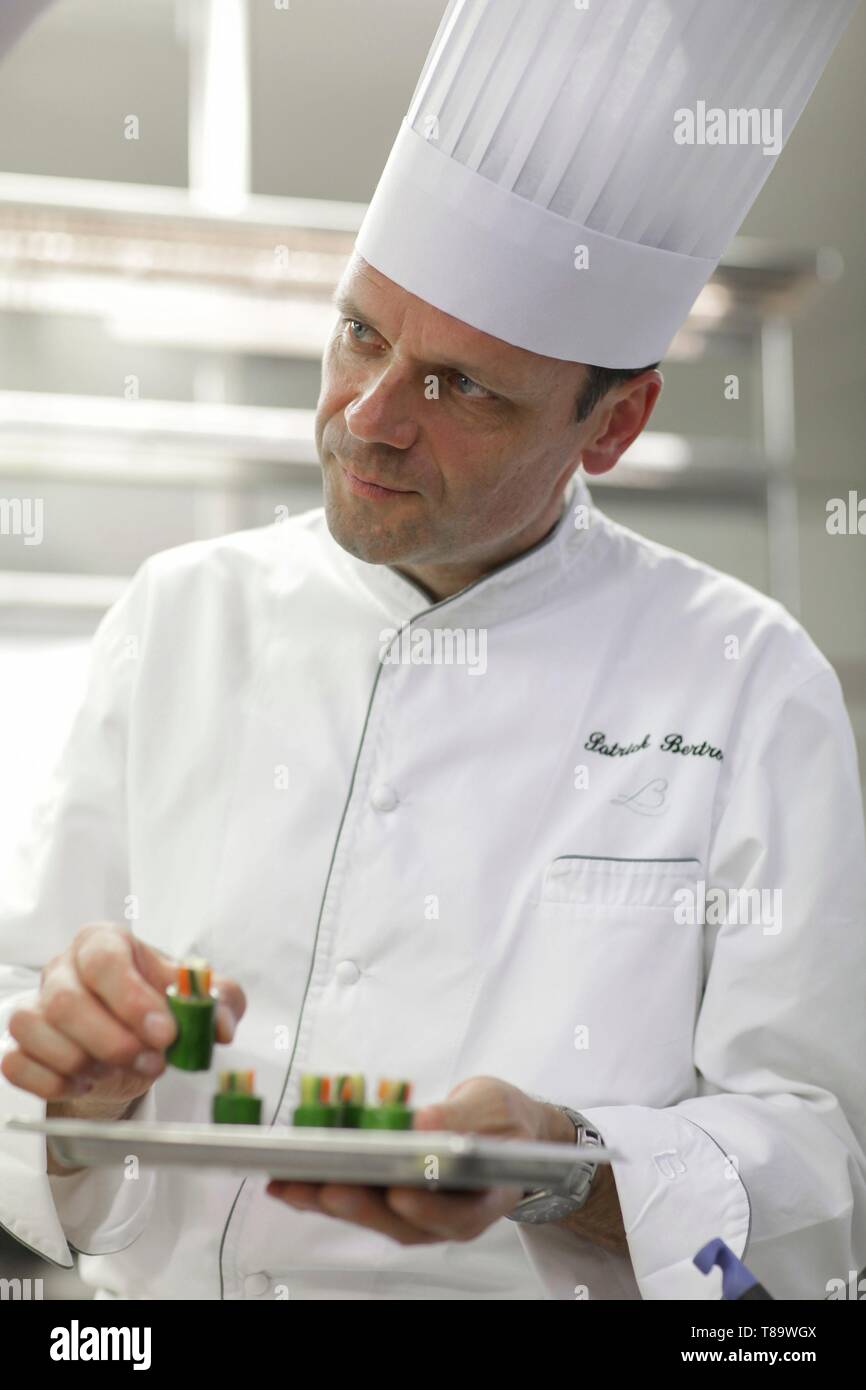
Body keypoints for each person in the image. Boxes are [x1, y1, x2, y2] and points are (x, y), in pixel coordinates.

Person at [1, 0, 863, 1300]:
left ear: (614, 424)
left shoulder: (746, 679)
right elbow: (27, 1034)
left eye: (462, 387)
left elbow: (813, 1164)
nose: (368, 416)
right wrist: (67, 1084)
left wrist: (573, 1166)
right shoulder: (179, 613)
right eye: (359, 332)